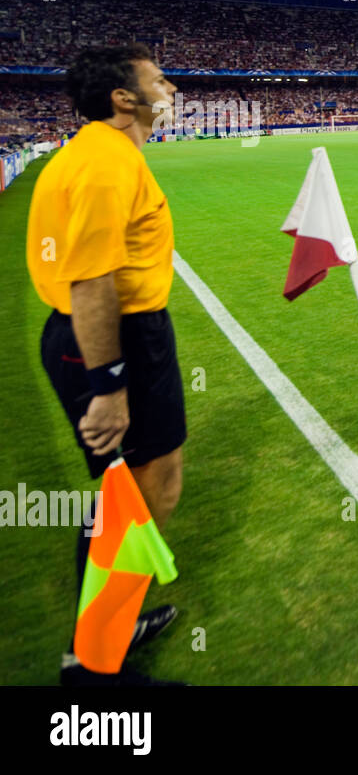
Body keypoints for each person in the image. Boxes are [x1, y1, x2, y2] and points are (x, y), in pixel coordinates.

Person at [25, 44, 186, 686]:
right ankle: (93, 667)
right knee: (138, 498)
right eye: (157, 79)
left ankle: (110, 628)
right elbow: (91, 282)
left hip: (119, 335)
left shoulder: (106, 153)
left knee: (145, 491)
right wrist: (109, 386)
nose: (170, 86)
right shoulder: (103, 161)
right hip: (110, 341)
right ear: (124, 98)